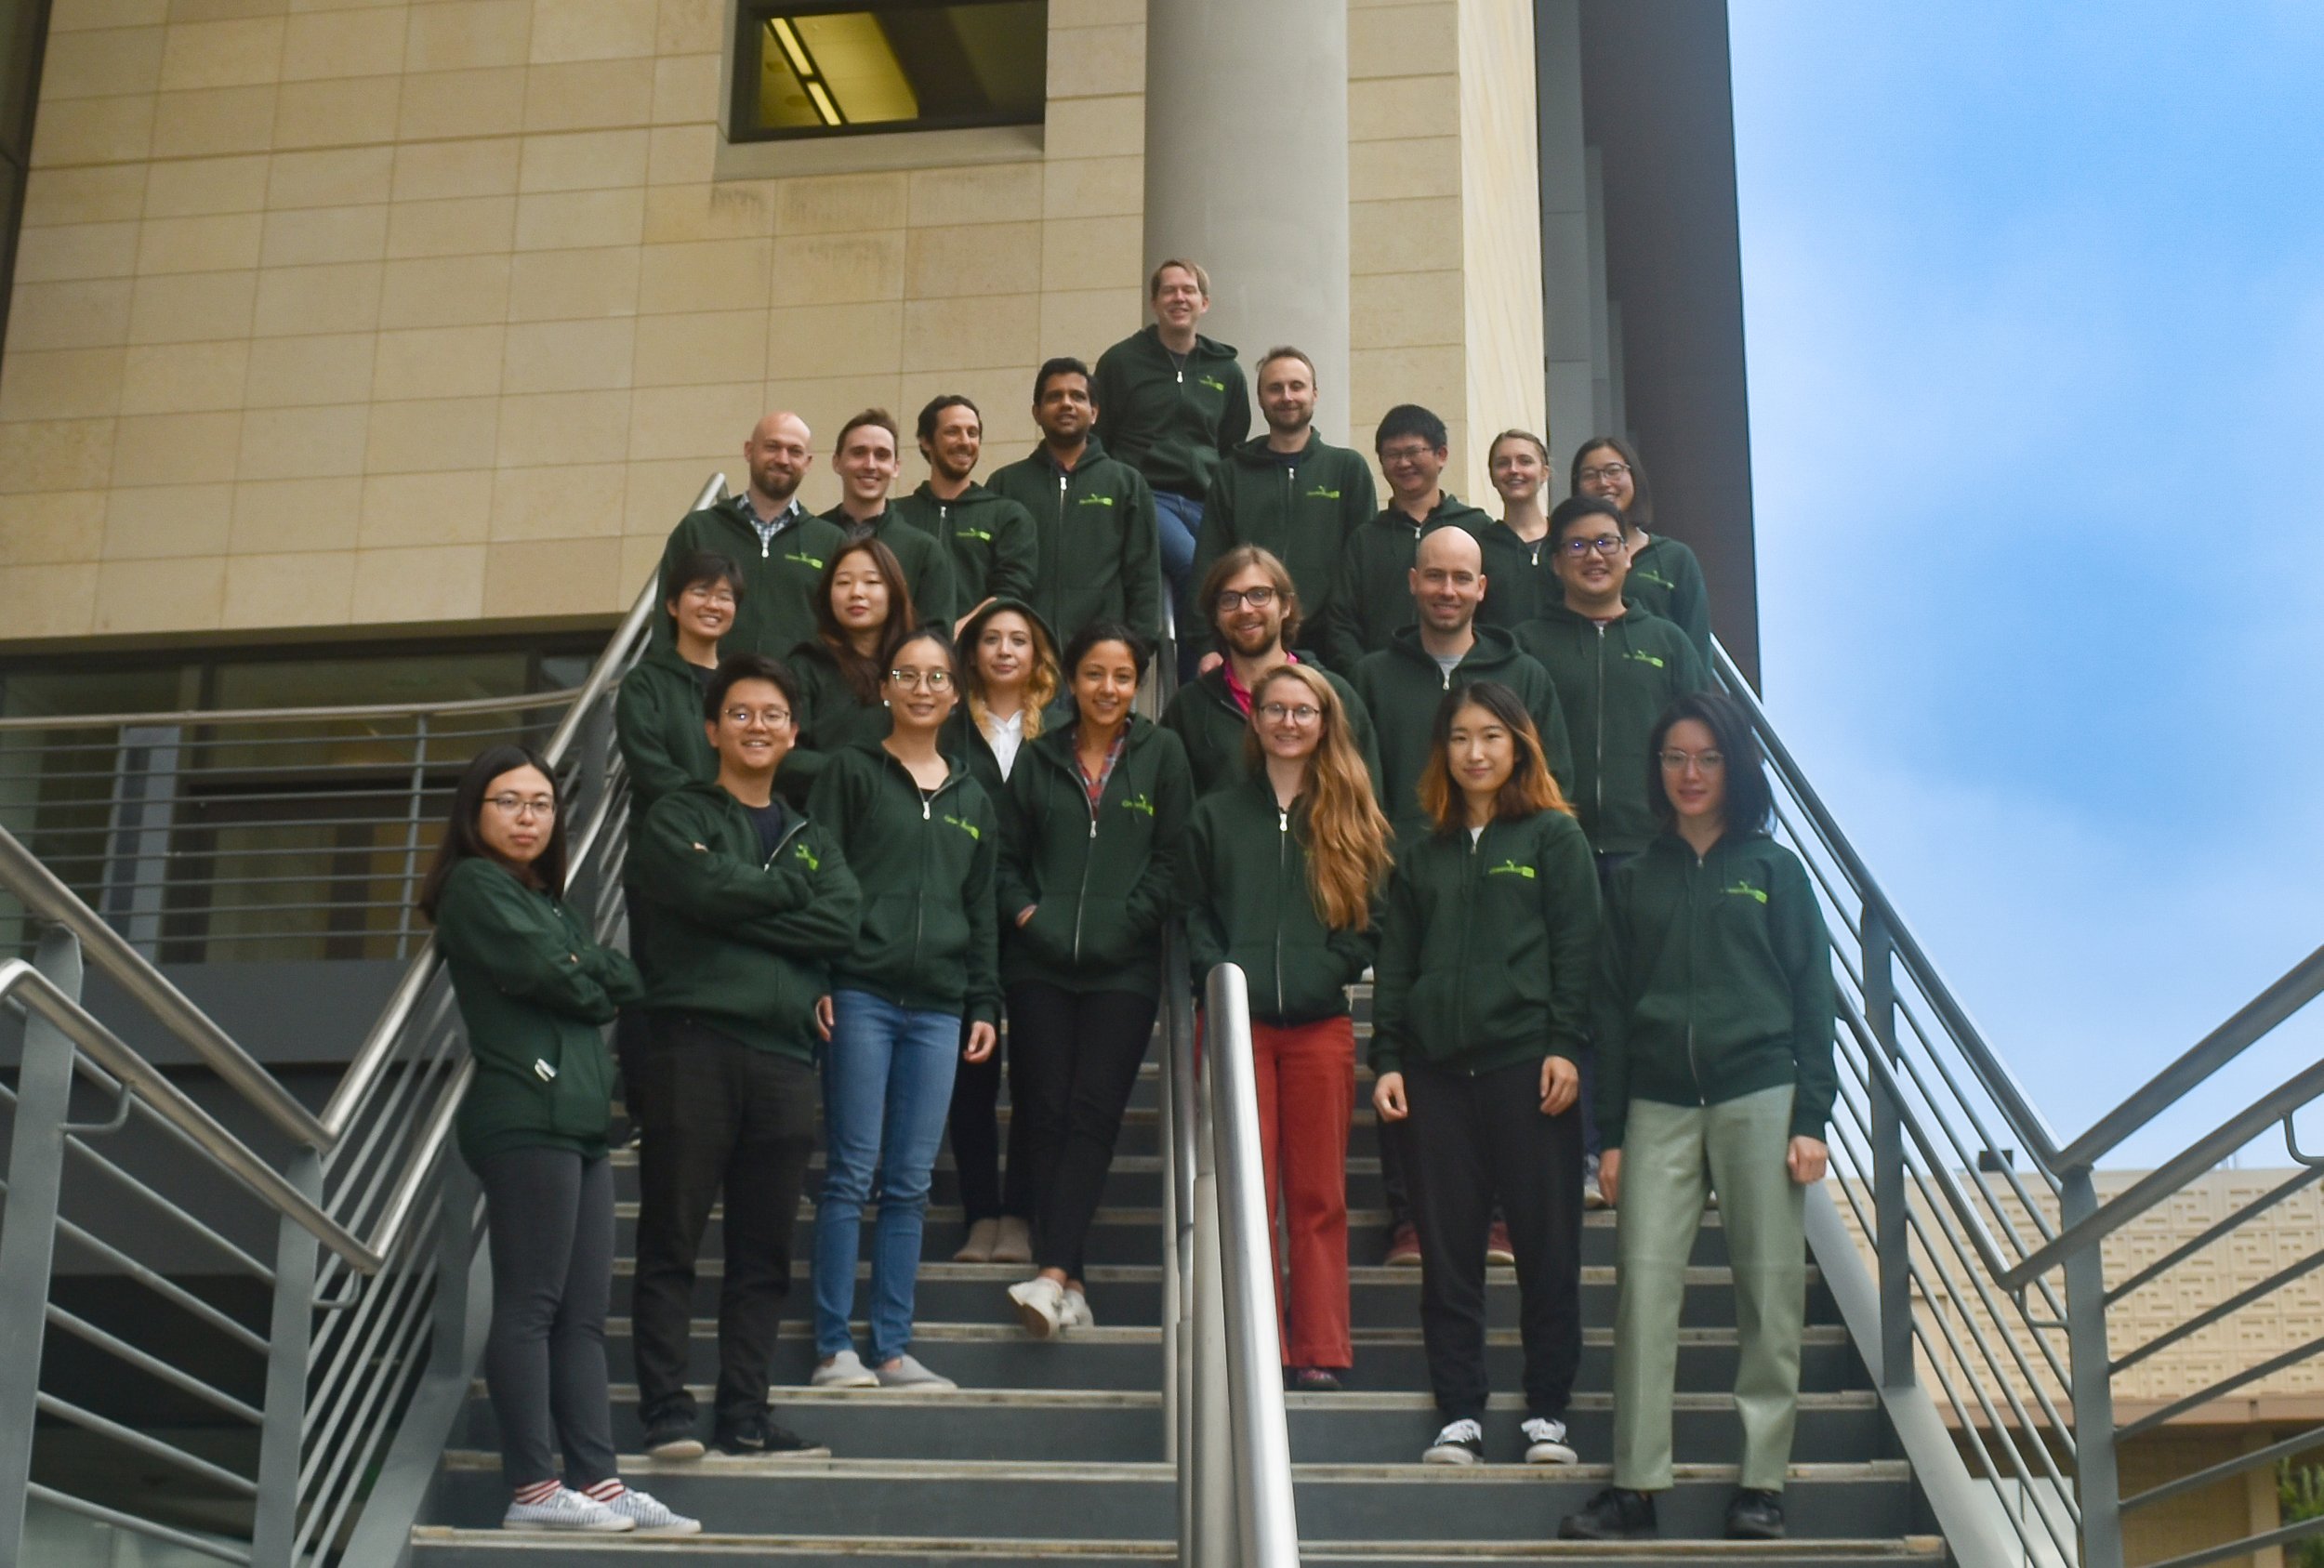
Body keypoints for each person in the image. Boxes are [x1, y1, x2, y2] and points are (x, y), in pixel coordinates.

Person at [1559, 691, 1836, 1544]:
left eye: (1707, 757)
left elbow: (1812, 997)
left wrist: (1812, 1114)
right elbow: (1607, 1008)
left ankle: (1763, 1482)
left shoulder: (1775, 872)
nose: (1689, 773)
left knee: (1769, 1291)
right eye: (1675, 757)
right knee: (1642, 1293)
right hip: (1657, 1107)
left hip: (1760, 1095)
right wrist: (1605, 1133)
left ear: (1734, 767)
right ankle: (1636, 1486)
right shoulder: (1636, 877)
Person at [423, 744, 696, 1535]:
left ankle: (599, 1484)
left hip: (577, 1121)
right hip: (524, 1114)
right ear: (475, 812)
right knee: (533, 1307)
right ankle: (533, 1491)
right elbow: (573, 980)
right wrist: (589, 971)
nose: (527, 816)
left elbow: (610, 976)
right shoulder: (473, 887)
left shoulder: (546, 900)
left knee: (582, 1316)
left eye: (541, 803)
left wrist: (585, 967)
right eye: (509, 801)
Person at [627, 653, 860, 1462]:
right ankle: (664, 1411)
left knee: (763, 1251)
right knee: (672, 1236)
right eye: (740, 713)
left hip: (786, 1061)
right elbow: (692, 894)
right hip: (693, 1044)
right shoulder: (675, 815)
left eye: (772, 715)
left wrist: (732, 906)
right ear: (711, 727)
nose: (756, 726)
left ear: (793, 733)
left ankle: (745, 1415)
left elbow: (840, 924)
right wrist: (774, 901)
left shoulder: (812, 837)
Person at [1370, 682, 1597, 1471]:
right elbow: (1394, 963)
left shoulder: (1553, 839)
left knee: (1546, 1246)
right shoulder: (1421, 851)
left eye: (1492, 736)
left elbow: (1579, 951)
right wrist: (1388, 1057)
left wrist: (1566, 1043)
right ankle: (1459, 1412)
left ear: (1521, 745)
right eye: (1461, 737)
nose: (1475, 752)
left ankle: (1547, 1413)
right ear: (1443, 750)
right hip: (1435, 1076)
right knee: (1448, 1251)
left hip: (1528, 1069)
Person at [1182, 665, 1390, 1391]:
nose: (1290, 722)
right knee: (1245, 1190)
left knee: (1317, 1192)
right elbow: (1193, 910)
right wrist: (1221, 974)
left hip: (1318, 1025)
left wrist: (1323, 973)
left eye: (1304, 710)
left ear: (1325, 720)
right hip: (1236, 1026)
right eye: (1276, 708)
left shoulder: (1349, 811)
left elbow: (1371, 919)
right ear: (1256, 719)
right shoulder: (1216, 813)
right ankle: (1254, 1345)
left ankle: (1321, 1347)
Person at [806, 629, 1003, 1391]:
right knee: (852, 1171)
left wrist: (984, 997)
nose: (923, 688)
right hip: (859, 992)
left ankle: (890, 1346)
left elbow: (979, 909)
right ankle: (833, 1348)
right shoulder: (852, 773)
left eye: (937, 678)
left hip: (939, 1007)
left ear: (957, 694)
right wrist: (822, 972)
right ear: (886, 687)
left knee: (912, 1181)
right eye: (907, 675)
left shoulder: (972, 795)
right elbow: (821, 875)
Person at [997, 623, 1193, 1337]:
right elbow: (1005, 856)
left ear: (1137, 682)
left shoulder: (1162, 754)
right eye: (1093, 674)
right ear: (1071, 679)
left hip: (1124, 968)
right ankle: (1068, 1278)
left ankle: (1050, 1273)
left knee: (1092, 1111)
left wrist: (1125, 926)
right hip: (1039, 963)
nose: (1107, 689)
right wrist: (1027, 916)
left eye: (1121, 676)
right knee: (1043, 1109)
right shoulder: (1040, 758)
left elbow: (1175, 858)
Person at [942, 598, 1063, 1265]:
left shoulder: (1066, 727)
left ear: (1038, 653)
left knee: (1038, 1081)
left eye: (1020, 637)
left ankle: (1019, 1214)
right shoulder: (951, 727)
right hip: (964, 922)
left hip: (1038, 923)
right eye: (991, 638)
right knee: (972, 1078)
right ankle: (980, 1213)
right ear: (972, 653)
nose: (1006, 649)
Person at [1512, 496, 1707, 874]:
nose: (1594, 556)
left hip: (1652, 849)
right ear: (1555, 562)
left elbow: (1703, 740)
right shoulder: (1525, 646)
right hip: (1549, 848)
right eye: (1577, 545)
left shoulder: (1668, 643)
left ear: (1628, 555)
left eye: (1606, 542)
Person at [614, 551, 739, 1128]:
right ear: (672, 604)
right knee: (656, 989)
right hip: (662, 864)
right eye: (700, 593)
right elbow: (649, 767)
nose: (714, 605)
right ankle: (650, 1114)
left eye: (725, 596)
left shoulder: (742, 684)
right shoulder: (644, 683)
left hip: (732, 864)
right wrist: (714, 811)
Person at [1353, 524, 1572, 846]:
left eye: (1462, 578)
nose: (1448, 591)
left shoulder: (1524, 676)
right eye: (1435, 576)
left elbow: (1554, 781)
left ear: (1481, 587)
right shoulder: (1371, 678)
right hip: (1396, 874)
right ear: (1413, 582)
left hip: (1502, 872)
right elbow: (1351, 785)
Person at [1187, 346, 1375, 665]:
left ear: (1314, 394)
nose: (1286, 396)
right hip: (1247, 642)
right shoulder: (1232, 473)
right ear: (1260, 399)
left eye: (1296, 386)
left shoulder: (1347, 469)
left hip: (1331, 650)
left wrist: (1356, 653)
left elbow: (1364, 567)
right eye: (1275, 388)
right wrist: (1206, 647)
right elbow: (1210, 561)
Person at [1092, 257, 1252, 623]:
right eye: (1169, 290)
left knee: (1231, 575)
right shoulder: (1120, 362)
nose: (1179, 298)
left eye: (1189, 290)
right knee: (1196, 568)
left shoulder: (1226, 371)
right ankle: (1194, 671)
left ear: (1204, 303)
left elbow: (1230, 441)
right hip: (1145, 497)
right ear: (1154, 303)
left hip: (1204, 500)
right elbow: (1100, 434)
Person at [1161, 545, 1381, 798]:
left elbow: (1367, 802)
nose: (1245, 609)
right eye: (1229, 599)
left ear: (1286, 605)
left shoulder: (1335, 696)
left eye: (1259, 594)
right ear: (1215, 616)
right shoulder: (1189, 708)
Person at [987, 358, 1165, 647]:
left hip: (1101, 657)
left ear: (1094, 413)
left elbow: (1144, 577)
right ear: (1036, 412)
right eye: (1054, 397)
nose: (1066, 404)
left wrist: (1139, 648)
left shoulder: (1126, 483)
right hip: (1024, 655)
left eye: (1077, 397)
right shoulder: (1005, 484)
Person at [1314, 403, 1492, 672]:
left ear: (1441, 455)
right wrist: (1367, 678)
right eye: (1392, 454)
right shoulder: (1365, 539)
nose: (1403, 463)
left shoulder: (1477, 528)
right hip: (1385, 688)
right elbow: (1342, 623)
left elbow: (1495, 613)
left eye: (1413, 452)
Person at [657, 413, 845, 661]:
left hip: (797, 696)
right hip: (708, 692)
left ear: (808, 463)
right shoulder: (698, 530)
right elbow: (664, 621)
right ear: (749, 451)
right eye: (772, 447)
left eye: (795, 451)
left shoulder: (830, 542)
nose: (782, 459)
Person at [786, 537, 919, 796]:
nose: (856, 593)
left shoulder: (916, 669)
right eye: (843, 582)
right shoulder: (805, 666)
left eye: (871, 582)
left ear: (893, 592)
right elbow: (787, 757)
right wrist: (856, 771)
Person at [892, 394, 1040, 619]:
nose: (965, 441)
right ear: (925, 441)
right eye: (952, 432)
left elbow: (1012, 593)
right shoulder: (895, 516)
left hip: (974, 648)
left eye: (972, 433)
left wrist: (960, 631)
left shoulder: (1007, 516)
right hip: (905, 649)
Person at [1570, 435, 1712, 660]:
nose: (1603, 483)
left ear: (1634, 476)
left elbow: (1696, 647)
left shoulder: (1675, 558)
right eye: (1590, 475)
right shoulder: (1564, 556)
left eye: (1613, 471)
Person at [820, 407, 960, 627]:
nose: (870, 465)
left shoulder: (924, 550)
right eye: (858, 453)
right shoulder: (812, 537)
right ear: (836, 462)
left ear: (896, 468)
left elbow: (936, 636)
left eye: (882, 455)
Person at [1473, 429, 1558, 630]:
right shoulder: (1480, 547)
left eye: (1525, 461)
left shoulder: (1566, 540)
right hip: (1501, 658)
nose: (1513, 470)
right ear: (1493, 477)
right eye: (1503, 463)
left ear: (1544, 473)